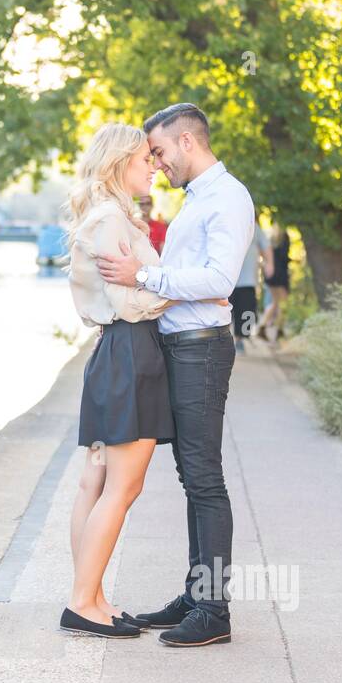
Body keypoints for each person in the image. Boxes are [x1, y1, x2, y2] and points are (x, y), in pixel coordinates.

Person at [95, 102, 254, 648]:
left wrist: (143, 274)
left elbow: (217, 281)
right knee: (192, 475)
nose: (157, 164)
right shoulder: (198, 200)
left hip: (202, 349)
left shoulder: (228, 198)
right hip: (181, 346)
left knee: (204, 476)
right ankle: (196, 593)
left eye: (160, 152)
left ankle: (213, 610)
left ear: (188, 142)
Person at [62, 122, 227, 639]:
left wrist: (165, 286)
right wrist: (186, 294)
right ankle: (82, 603)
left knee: (97, 481)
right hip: (130, 350)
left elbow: (125, 293)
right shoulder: (111, 220)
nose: (154, 166)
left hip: (118, 353)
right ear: (118, 166)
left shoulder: (106, 217)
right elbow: (129, 301)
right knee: (122, 487)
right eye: (143, 160)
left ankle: (92, 598)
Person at [231, 225, 271, 353]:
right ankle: (225, 339)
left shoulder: (254, 227)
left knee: (246, 311)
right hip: (226, 279)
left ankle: (240, 339)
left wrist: (270, 263)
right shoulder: (223, 220)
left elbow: (266, 246)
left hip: (247, 280)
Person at [257, 225, 291, 343]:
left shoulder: (269, 239)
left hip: (271, 275)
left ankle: (262, 326)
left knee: (276, 303)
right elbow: (284, 257)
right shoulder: (284, 239)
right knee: (283, 304)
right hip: (280, 275)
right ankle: (279, 330)